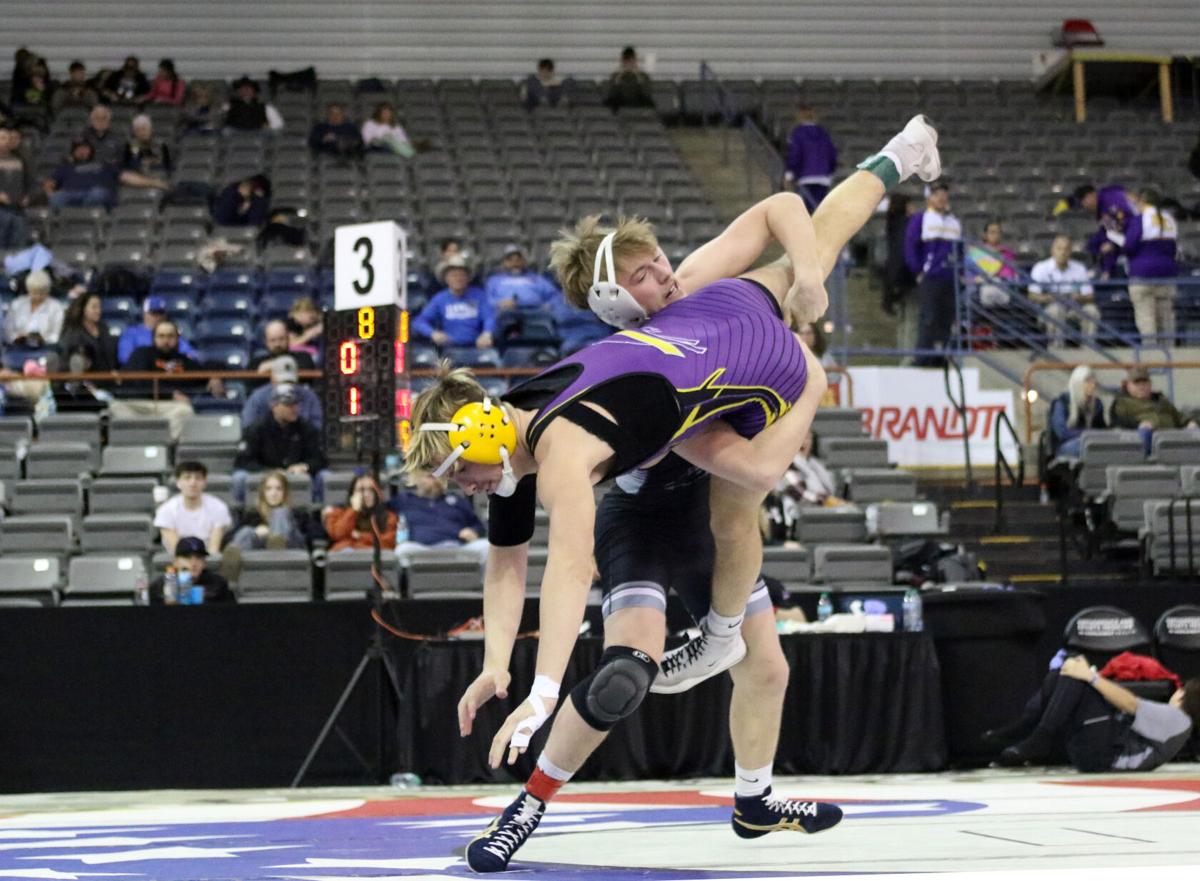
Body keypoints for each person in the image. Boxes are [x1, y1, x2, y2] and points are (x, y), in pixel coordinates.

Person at [453, 118, 941, 872]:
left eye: (661, 261)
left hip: (710, 490)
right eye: (649, 274)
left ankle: (753, 801)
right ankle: (530, 804)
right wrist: (810, 382)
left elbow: (798, 220)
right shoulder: (639, 378)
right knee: (625, 672)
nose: (670, 274)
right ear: (619, 304)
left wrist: (884, 174)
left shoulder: (695, 292)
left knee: (769, 667)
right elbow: (747, 473)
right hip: (648, 513)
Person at [990, 655, 1198, 772]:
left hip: (1104, 757)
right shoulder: (1178, 724)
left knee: (1077, 677)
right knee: (1061, 675)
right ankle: (1027, 728)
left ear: (1184, 696)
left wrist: (1090, 676)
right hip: (1103, 750)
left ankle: (1038, 736)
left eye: (1181, 689)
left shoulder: (1178, 720)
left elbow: (1129, 703)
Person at [113, 319, 219, 439]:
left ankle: (165, 451)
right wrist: (170, 394)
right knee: (116, 408)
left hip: (169, 407)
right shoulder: (142, 353)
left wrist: (213, 377)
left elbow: (211, 368)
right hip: (140, 403)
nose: (166, 340)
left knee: (185, 411)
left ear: (177, 339)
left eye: (170, 336)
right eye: (161, 336)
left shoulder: (183, 361)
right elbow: (138, 380)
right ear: (154, 338)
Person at [232, 383, 328, 503]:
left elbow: (320, 459)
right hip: (264, 474)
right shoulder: (257, 428)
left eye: (296, 404)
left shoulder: (306, 428)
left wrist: (305, 466)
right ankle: (239, 517)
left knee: (325, 476)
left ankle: (319, 516)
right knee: (240, 477)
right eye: (289, 405)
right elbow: (243, 461)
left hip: (296, 475)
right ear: (274, 406)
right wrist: (269, 471)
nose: (294, 409)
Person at [906, 181, 961, 367]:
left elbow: (959, 250)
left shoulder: (954, 222)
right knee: (928, 317)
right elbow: (911, 246)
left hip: (949, 278)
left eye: (944, 193)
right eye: (937, 194)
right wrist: (918, 271)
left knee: (946, 319)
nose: (942, 197)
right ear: (929, 198)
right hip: (931, 277)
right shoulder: (921, 219)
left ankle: (939, 356)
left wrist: (959, 271)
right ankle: (922, 357)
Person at [390, 469, 489, 566]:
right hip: (421, 549)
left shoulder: (457, 500)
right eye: (430, 477)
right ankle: (405, 583)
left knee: (486, 546)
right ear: (417, 479)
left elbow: (479, 526)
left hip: (457, 547)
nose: (436, 481)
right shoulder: (405, 500)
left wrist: (473, 531)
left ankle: (487, 582)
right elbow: (379, 511)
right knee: (402, 550)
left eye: (440, 477)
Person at [1124, 187, 1179, 346]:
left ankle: (1151, 353)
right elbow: (1173, 248)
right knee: (1166, 316)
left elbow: (1129, 246)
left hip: (1143, 273)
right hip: (1167, 273)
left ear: (1142, 201)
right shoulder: (1169, 219)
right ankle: (1170, 356)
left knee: (1146, 315)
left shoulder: (1140, 218)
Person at [412, 254, 496, 348]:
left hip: (476, 346)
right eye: (454, 275)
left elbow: (489, 317)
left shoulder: (480, 295)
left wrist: (487, 333)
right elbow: (419, 321)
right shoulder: (439, 298)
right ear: (446, 279)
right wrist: (433, 333)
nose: (458, 279)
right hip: (449, 347)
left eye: (462, 275)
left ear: (468, 278)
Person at [1109, 366, 1197, 455]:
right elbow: (1117, 422)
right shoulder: (1122, 403)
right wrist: (1139, 424)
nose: (1141, 386)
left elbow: (1178, 417)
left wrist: (1189, 422)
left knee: (1195, 430)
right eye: (1137, 383)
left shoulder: (1162, 400)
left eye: (1144, 382)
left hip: (1172, 439)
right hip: (1145, 440)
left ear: (1150, 384)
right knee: (1144, 432)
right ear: (1128, 385)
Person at [1028, 234, 1097, 346]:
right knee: (1057, 309)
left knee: (1091, 310)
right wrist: (1050, 298)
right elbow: (1032, 295)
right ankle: (1056, 348)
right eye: (1059, 248)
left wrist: (1078, 297)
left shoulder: (1079, 268)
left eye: (1066, 249)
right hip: (1049, 307)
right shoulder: (1041, 267)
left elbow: (1090, 295)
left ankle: (1089, 348)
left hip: (1074, 306)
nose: (1063, 252)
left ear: (1070, 252)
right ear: (1052, 250)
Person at [153, 461, 232, 555]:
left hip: (207, 559)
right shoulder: (165, 510)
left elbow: (213, 549)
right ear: (178, 482)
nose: (193, 483)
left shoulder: (219, 508)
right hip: (177, 560)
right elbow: (176, 549)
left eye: (198, 478)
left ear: (205, 482)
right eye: (187, 478)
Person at [226, 470, 312, 551]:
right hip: (262, 552)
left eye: (278, 489)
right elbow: (229, 536)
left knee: (280, 512)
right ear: (263, 492)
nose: (273, 493)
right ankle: (232, 558)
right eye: (268, 489)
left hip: (290, 550)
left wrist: (270, 530)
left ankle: (277, 540)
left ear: (285, 492)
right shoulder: (252, 515)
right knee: (247, 531)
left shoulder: (299, 514)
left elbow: (312, 537)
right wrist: (256, 532)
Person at [241, 354, 322, 430]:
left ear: (296, 379)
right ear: (272, 378)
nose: (286, 385)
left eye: (289, 381)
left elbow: (318, 428)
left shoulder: (309, 397)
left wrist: (297, 422)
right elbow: (248, 427)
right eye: (281, 381)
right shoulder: (258, 398)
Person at [148, 536, 237, 604]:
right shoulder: (160, 586)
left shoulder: (218, 585)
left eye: (198, 558)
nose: (193, 563)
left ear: (204, 563)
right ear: (175, 562)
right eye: (187, 557)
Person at [783, 104, 837, 212]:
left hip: (806, 177)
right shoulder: (823, 133)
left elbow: (795, 155)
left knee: (807, 212)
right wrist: (830, 173)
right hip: (823, 178)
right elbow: (832, 155)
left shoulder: (798, 133)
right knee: (819, 210)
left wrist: (789, 175)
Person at [323, 474, 397, 553]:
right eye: (361, 490)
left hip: (375, 556)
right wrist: (354, 510)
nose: (366, 494)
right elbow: (338, 535)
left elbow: (389, 543)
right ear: (352, 494)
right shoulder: (337, 512)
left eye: (371, 490)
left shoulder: (389, 517)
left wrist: (360, 536)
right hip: (347, 556)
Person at [881, 193, 918, 353]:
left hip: (894, 278)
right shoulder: (908, 225)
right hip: (908, 277)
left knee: (903, 319)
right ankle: (909, 355)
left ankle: (903, 353)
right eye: (911, 205)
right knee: (911, 318)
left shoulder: (892, 223)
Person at [117, 295, 199, 365]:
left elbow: (191, 354)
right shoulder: (132, 333)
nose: (157, 317)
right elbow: (124, 357)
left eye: (160, 313)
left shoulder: (170, 332)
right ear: (145, 314)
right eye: (153, 313)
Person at [1048, 364, 1106, 458]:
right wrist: (1087, 434)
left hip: (1090, 441)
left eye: (1094, 381)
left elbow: (1102, 429)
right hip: (1065, 445)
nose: (1093, 384)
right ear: (1078, 383)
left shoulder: (1097, 405)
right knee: (1083, 446)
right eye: (1088, 381)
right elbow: (1062, 432)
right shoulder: (1062, 402)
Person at [43, 139, 118, 211]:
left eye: (85, 148)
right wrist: (51, 194)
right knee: (56, 198)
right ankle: (72, 216)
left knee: (98, 193)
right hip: (69, 194)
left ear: (91, 150)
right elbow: (49, 183)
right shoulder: (65, 167)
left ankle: (82, 215)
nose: (82, 151)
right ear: (73, 152)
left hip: (93, 193)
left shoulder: (103, 165)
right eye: (78, 149)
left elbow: (124, 176)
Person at [484, 243, 560, 311]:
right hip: (505, 315)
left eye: (518, 259)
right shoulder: (494, 281)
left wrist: (549, 305)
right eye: (510, 260)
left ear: (524, 261)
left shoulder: (537, 279)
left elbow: (554, 295)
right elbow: (486, 299)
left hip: (534, 314)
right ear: (504, 262)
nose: (514, 263)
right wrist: (499, 303)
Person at [58, 290, 117, 372]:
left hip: (105, 376)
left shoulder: (103, 327)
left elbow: (109, 356)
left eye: (99, 307)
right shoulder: (73, 331)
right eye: (94, 307)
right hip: (83, 377)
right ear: (83, 309)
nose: (98, 311)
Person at [3, 269, 62, 348]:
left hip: (44, 348)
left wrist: (43, 339)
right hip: (18, 348)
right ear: (28, 290)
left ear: (48, 291)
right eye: (34, 293)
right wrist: (16, 337)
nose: (38, 296)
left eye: (42, 293)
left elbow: (57, 334)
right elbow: (7, 330)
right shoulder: (17, 304)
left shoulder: (56, 307)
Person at [118, 114, 173, 193]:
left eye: (144, 129)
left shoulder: (161, 146)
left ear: (150, 129)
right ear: (134, 132)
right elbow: (125, 168)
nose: (142, 132)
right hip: (138, 182)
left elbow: (168, 167)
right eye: (138, 130)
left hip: (159, 179)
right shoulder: (129, 146)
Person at [0, 126, 31, 248]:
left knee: (18, 247)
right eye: (2, 138)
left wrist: (27, 196)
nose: (5, 141)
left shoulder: (19, 160)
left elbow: (27, 182)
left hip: (17, 209)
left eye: (8, 138)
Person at [250, 319, 316, 373]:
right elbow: (249, 382)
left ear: (288, 339)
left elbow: (307, 374)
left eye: (281, 339)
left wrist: (271, 366)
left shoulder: (303, 357)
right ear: (266, 342)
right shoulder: (257, 362)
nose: (277, 344)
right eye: (273, 340)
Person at [603, 46, 653, 112]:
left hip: (637, 101)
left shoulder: (643, 75)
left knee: (649, 103)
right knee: (609, 102)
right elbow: (611, 94)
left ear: (635, 61)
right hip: (621, 102)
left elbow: (646, 94)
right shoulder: (615, 75)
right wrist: (620, 75)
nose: (628, 63)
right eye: (626, 60)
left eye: (631, 60)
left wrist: (637, 74)